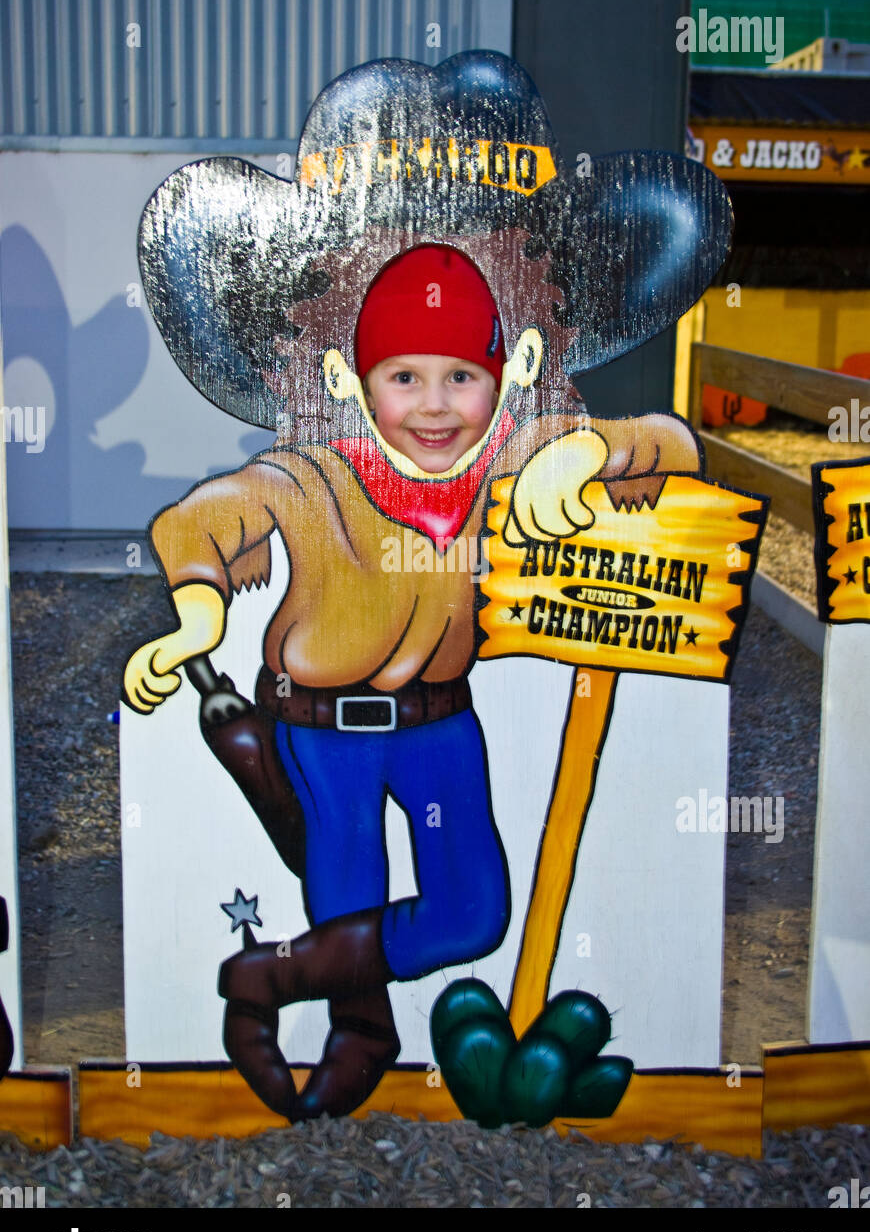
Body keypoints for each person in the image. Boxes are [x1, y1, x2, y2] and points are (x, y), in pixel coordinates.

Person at [124, 242, 699, 1120]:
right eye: (404, 376)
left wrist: (580, 453)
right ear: (351, 381)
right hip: (326, 730)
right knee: (347, 886)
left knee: (473, 911)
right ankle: (362, 1033)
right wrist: (201, 610)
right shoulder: (315, 476)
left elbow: (676, 445)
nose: (434, 406)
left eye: (462, 375)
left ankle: (265, 974)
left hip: (439, 723)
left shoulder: (507, 466)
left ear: (509, 376)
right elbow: (207, 514)